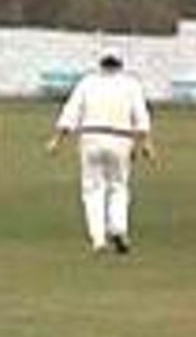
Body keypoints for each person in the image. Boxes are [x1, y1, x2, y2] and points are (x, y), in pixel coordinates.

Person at [46, 49, 155, 254]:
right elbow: (141, 115)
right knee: (118, 187)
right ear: (120, 64)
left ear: (101, 64)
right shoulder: (131, 84)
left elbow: (71, 111)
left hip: (91, 138)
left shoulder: (88, 82)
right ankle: (118, 228)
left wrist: (57, 140)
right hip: (121, 139)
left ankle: (98, 239)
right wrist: (146, 143)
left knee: (93, 189)